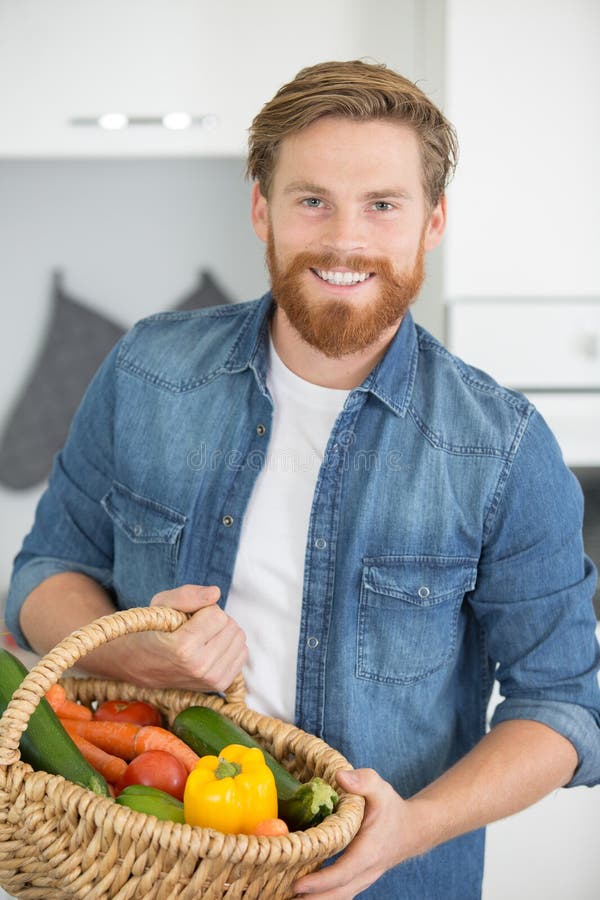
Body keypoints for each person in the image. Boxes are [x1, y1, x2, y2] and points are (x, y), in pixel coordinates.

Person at [6, 60, 600, 899]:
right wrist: (128, 650)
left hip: (388, 884)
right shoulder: (146, 372)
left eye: (383, 205)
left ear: (433, 221)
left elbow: (566, 707)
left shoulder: (502, 449)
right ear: (262, 208)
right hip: (144, 866)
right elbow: (42, 572)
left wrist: (415, 826)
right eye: (312, 199)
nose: (345, 239)